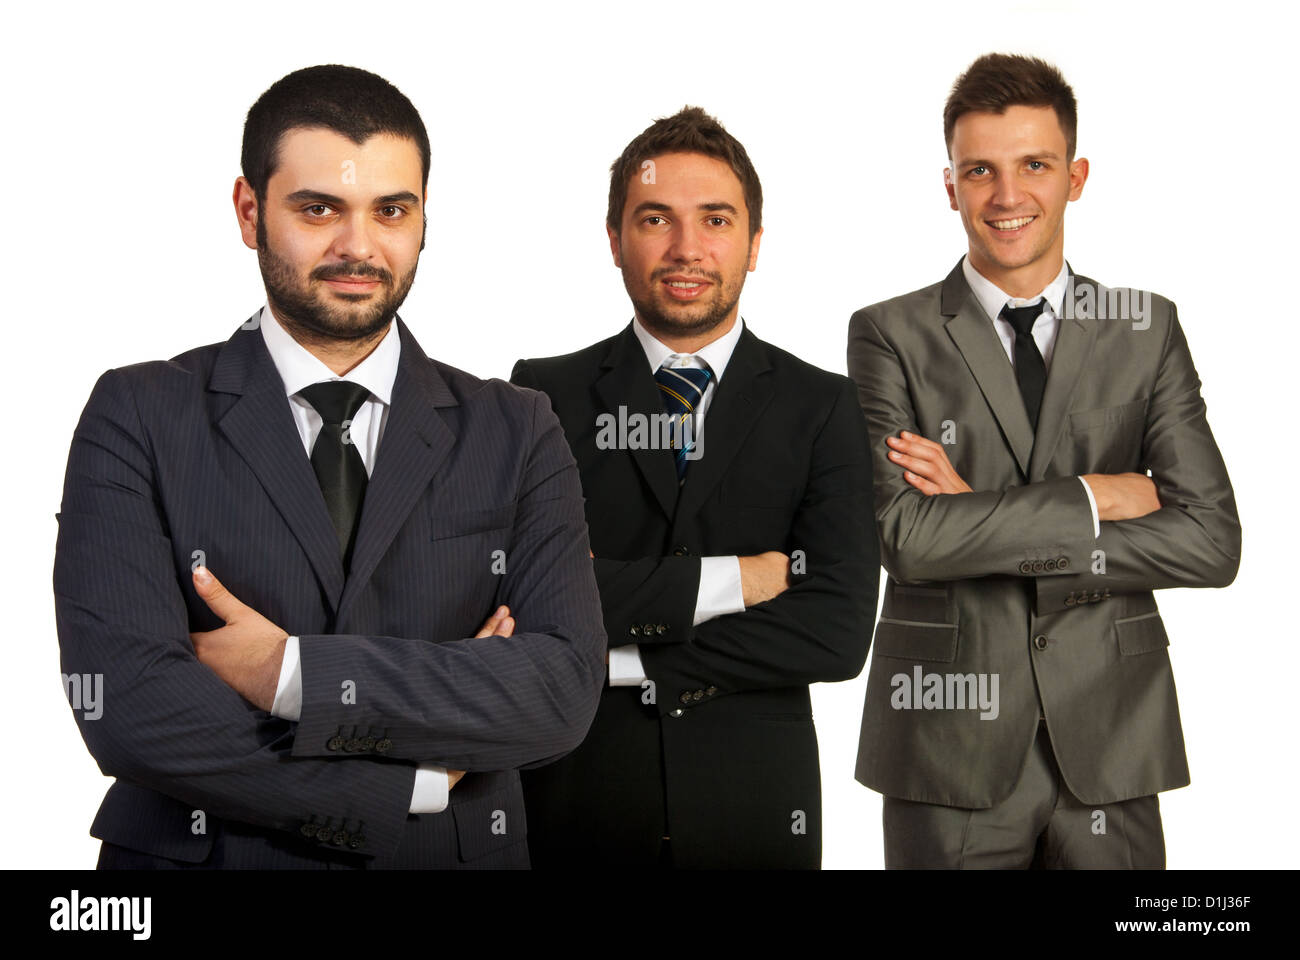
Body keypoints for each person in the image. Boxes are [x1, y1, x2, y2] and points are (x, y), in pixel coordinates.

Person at [53, 64, 606, 869]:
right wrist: (408, 782)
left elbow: (559, 691)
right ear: (250, 212)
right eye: (318, 209)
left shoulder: (517, 427)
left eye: (391, 210)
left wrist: (290, 674)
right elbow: (131, 709)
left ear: (423, 220)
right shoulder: (137, 413)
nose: (358, 246)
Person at [848, 53, 1241, 868]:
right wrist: (1098, 495)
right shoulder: (888, 332)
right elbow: (908, 540)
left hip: (1113, 739)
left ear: (1077, 176)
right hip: (946, 751)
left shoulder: (1145, 327)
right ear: (950, 185)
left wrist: (976, 513)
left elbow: (1210, 543)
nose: (1007, 196)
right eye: (979, 170)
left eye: (1035, 165)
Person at [512, 106, 877, 869]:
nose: (687, 249)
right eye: (655, 219)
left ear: (754, 245)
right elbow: (533, 599)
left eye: (715, 219)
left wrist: (621, 662)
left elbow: (837, 632)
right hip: (578, 811)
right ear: (614, 240)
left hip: (755, 816)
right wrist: (736, 580)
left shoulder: (822, 405)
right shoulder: (540, 397)